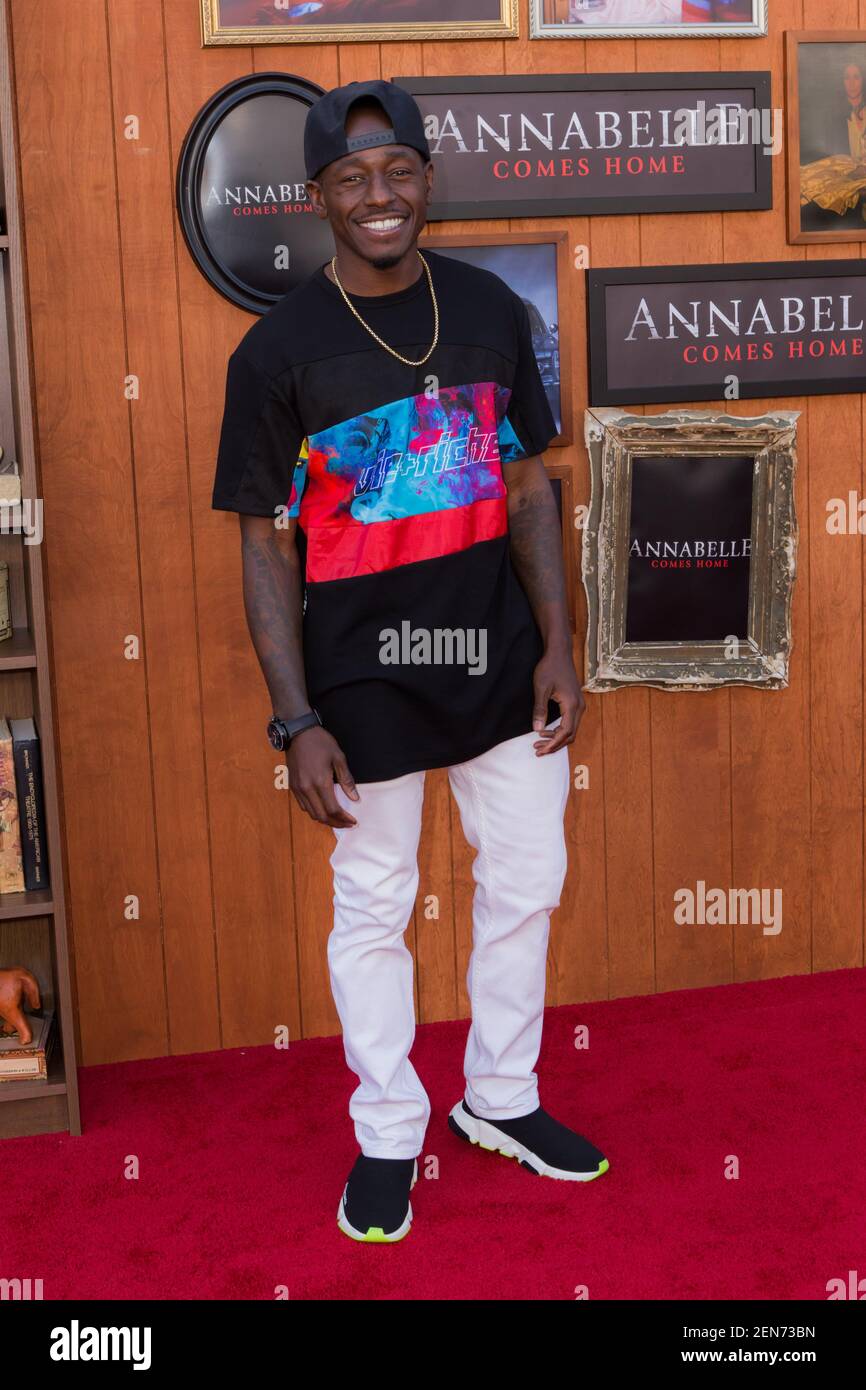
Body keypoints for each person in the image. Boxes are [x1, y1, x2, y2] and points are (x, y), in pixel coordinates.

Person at [212, 79, 608, 1244]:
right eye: (350, 178)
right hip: (360, 677)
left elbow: (529, 483)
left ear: (425, 178)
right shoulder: (273, 353)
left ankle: (501, 1098)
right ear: (315, 196)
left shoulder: (485, 308)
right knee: (374, 904)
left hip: (496, 656)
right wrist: (295, 718)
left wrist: (559, 646)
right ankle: (388, 1129)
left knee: (525, 878)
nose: (376, 196)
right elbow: (262, 544)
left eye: (397, 173)